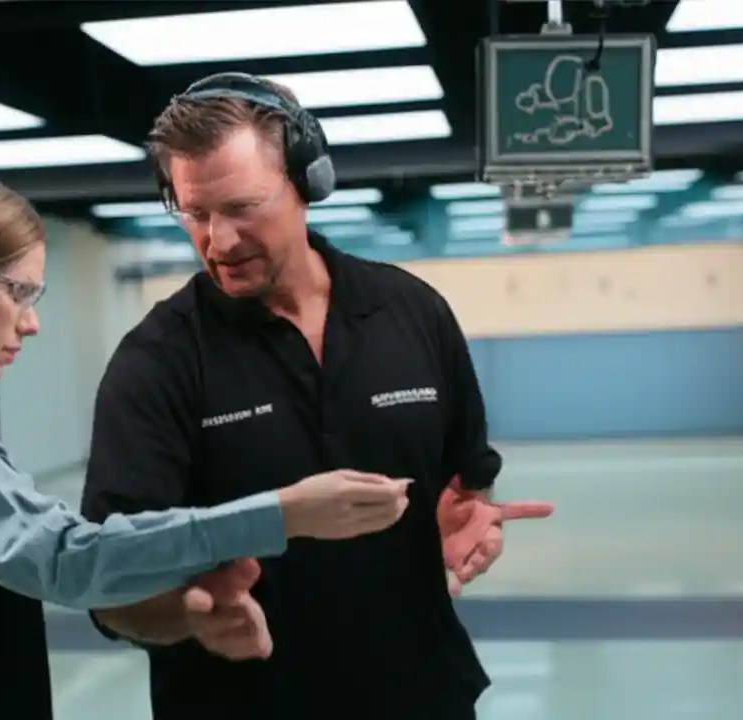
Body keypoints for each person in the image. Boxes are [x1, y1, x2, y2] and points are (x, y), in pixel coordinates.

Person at [0, 166, 414, 720]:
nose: (30, 321)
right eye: (18, 292)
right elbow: (70, 559)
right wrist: (281, 513)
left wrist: (187, 611)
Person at [80, 72, 556, 720]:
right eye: (195, 213)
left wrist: (456, 522)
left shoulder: (412, 313)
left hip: (421, 697)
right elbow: (106, 580)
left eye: (242, 207)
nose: (218, 241)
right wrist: (184, 616)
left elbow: (462, 481)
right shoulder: (157, 362)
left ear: (309, 180)